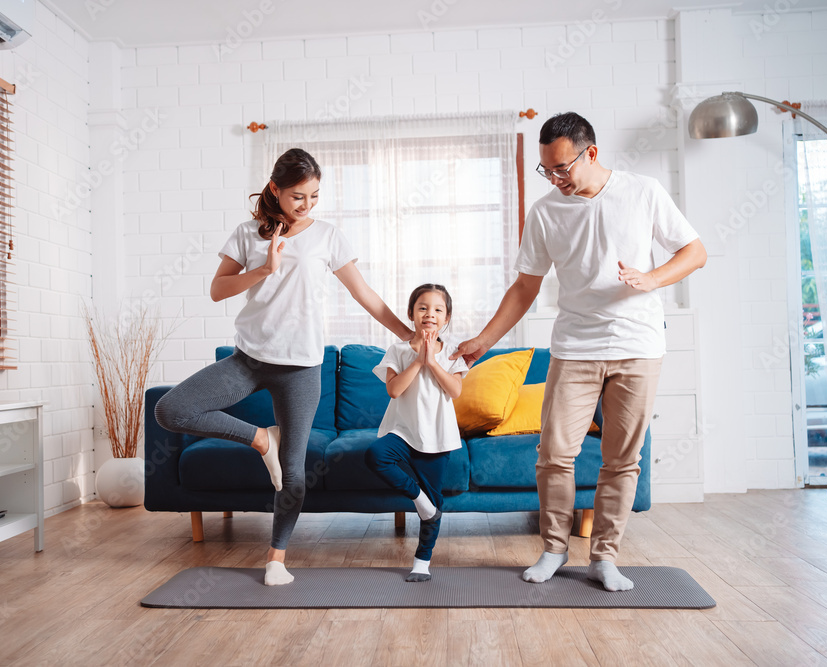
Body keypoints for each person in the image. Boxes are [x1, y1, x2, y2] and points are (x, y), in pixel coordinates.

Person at [453, 112, 707, 592]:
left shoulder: (643, 191)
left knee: (621, 460)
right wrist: (484, 341)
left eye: (562, 168)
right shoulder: (546, 211)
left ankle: (605, 558)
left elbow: (694, 251)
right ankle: (553, 548)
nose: (555, 178)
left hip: (638, 346)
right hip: (574, 347)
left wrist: (650, 279)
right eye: (546, 170)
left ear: (590, 153)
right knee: (554, 455)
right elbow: (526, 286)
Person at [154, 148, 412, 586]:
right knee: (172, 410)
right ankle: (261, 439)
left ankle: (276, 558)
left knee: (292, 473)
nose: (307, 205)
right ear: (275, 189)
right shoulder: (246, 234)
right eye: (297, 196)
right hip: (249, 360)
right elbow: (217, 290)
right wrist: (264, 269)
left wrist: (408, 334)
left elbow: (364, 294)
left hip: (301, 369)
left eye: (314, 196)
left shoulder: (328, 237)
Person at [365, 284, 468, 582]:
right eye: (422, 307)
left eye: (438, 309)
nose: (429, 314)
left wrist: (432, 362)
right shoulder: (397, 350)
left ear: (447, 317)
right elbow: (394, 390)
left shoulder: (452, 351)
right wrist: (418, 360)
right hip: (403, 432)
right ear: (411, 314)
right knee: (376, 456)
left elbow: (455, 390)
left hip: (437, 437)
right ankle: (419, 500)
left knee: (435, 503)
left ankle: (422, 560)